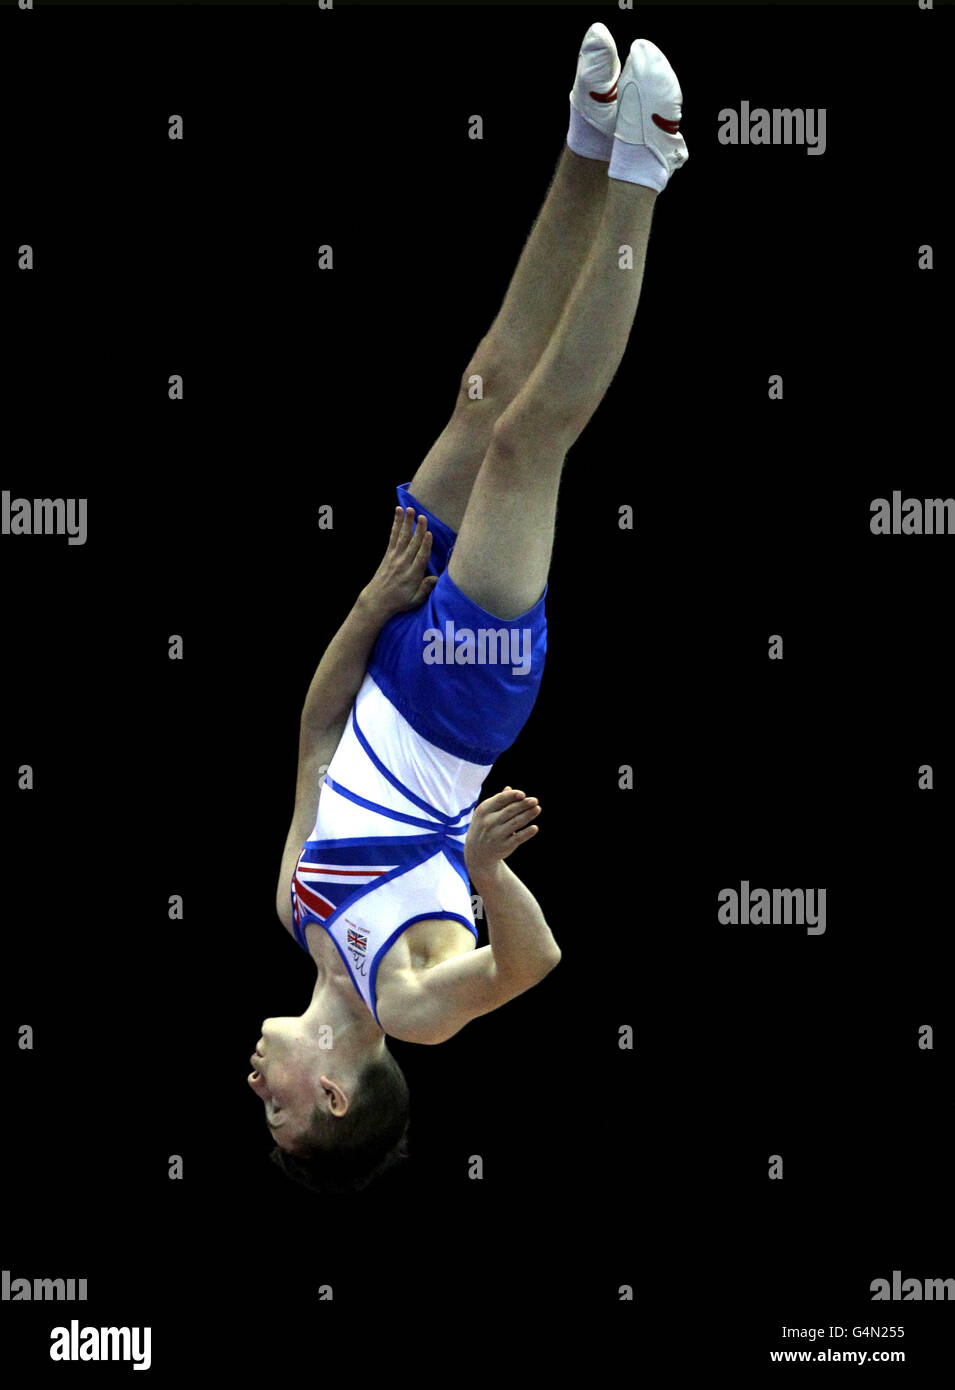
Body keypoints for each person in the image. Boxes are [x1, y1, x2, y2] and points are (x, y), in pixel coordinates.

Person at [249, 24, 689, 1193]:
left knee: (484, 382)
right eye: (278, 1118)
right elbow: (533, 960)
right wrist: (488, 874)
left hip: (389, 643)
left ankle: (589, 134)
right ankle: (648, 172)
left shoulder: (295, 909)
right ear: (332, 1096)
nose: (256, 1089)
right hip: (459, 705)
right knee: (522, 444)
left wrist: (369, 600)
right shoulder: (409, 1001)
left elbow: (312, 731)